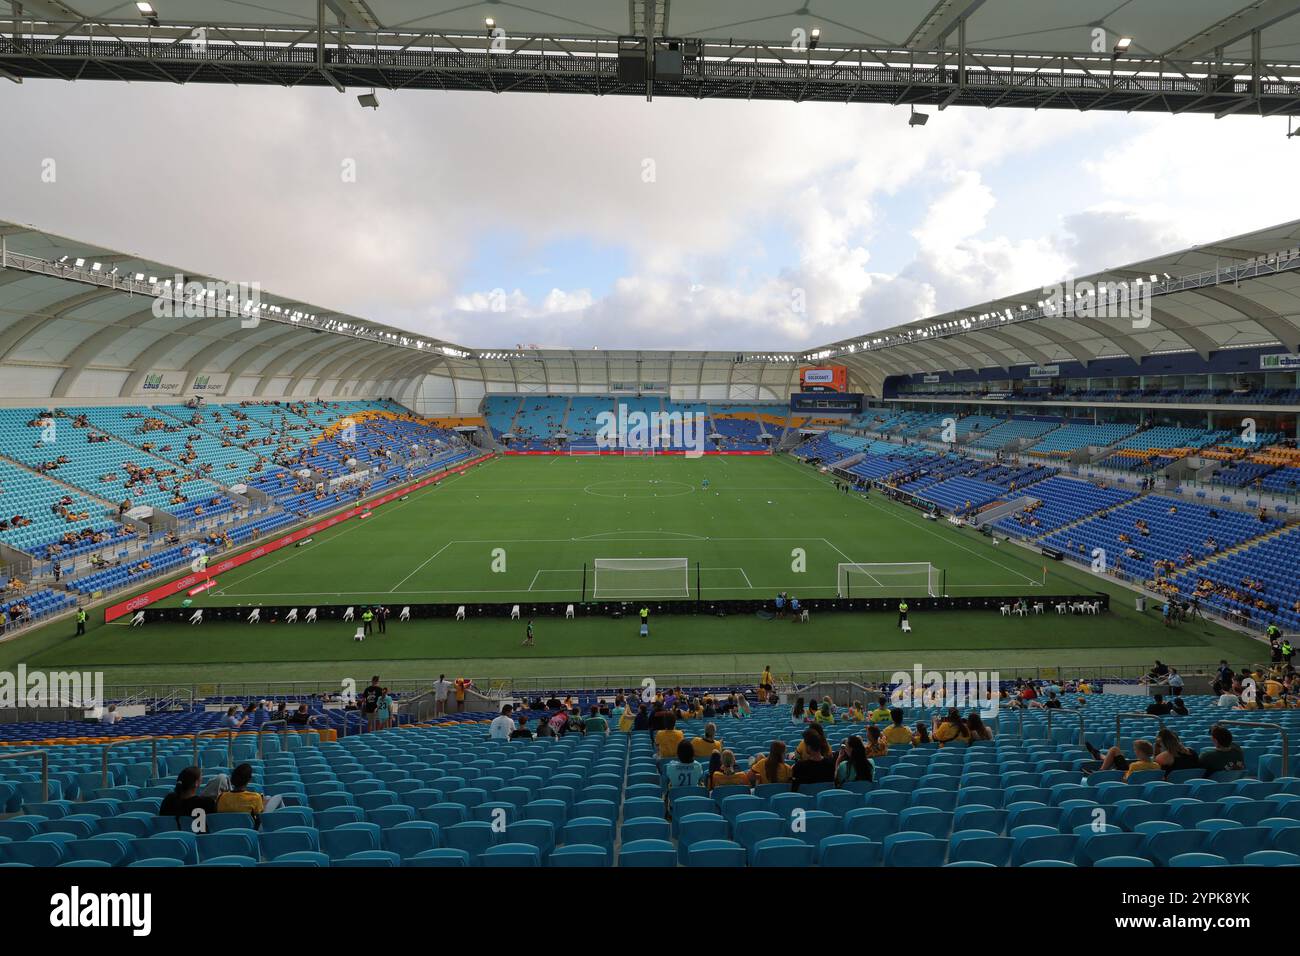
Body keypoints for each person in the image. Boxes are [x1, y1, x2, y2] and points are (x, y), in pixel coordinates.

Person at [216, 762, 285, 826]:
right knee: (278, 797)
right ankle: (285, 824)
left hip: (226, 828)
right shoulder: (255, 797)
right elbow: (259, 817)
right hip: (250, 829)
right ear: (249, 779)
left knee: (267, 797)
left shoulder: (221, 797)